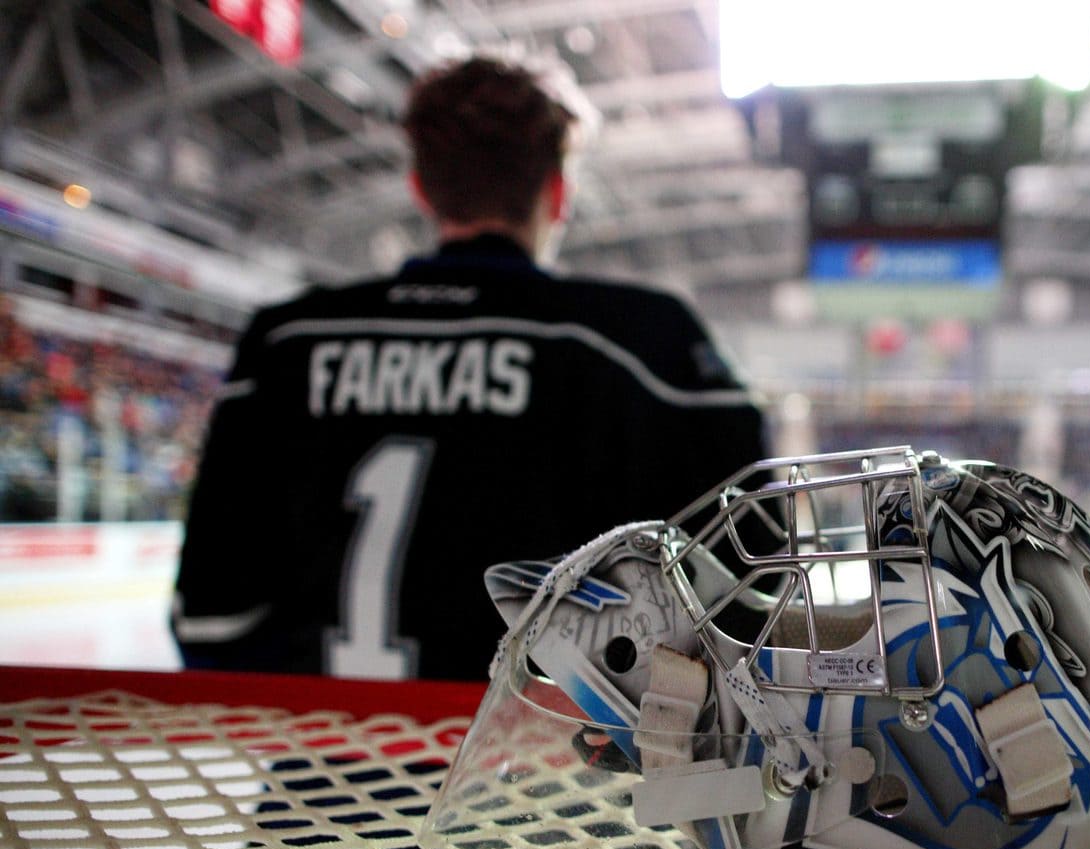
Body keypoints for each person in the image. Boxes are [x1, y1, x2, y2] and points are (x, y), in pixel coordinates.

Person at [172, 57, 767, 681]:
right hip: (552, 771)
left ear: (421, 188)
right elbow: (750, 593)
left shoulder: (286, 343)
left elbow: (211, 618)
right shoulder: (646, 344)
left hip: (325, 764)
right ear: (557, 192)